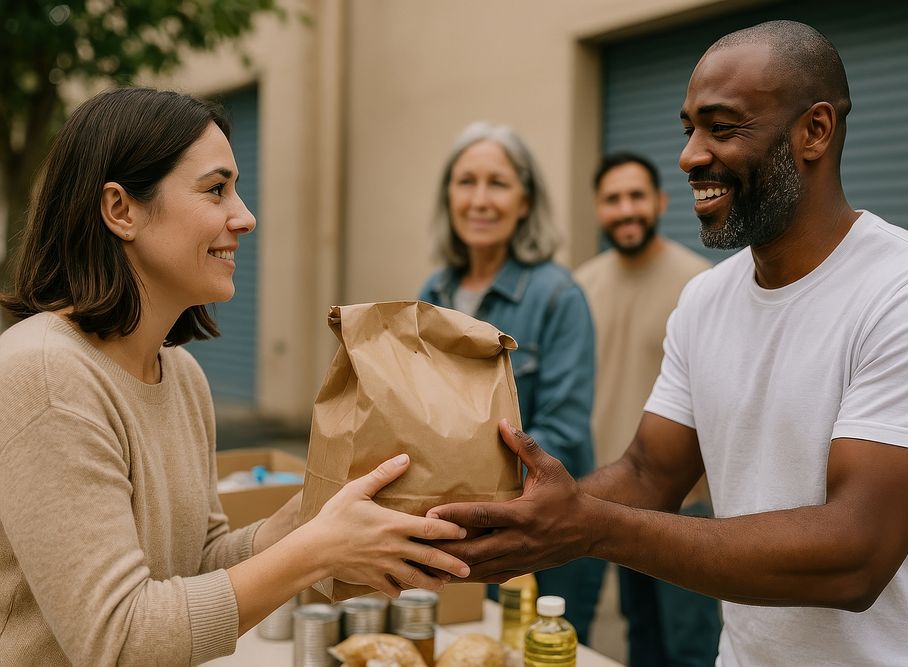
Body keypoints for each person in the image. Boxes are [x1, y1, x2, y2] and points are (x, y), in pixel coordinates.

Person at [428, 20, 908, 666]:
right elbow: (649, 473)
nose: (691, 155)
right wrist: (513, 523)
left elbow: (854, 556)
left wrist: (588, 525)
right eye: (689, 128)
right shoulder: (705, 300)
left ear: (814, 131)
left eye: (722, 128)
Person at [0, 87, 470, 666]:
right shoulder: (45, 375)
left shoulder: (183, 376)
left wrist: (311, 516)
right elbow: (118, 640)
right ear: (121, 210)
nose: (245, 218)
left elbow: (197, 565)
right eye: (216, 189)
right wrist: (317, 553)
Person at [417, 121, 604, 644]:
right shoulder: (435, 288)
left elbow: (562, 432)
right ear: (448, 196)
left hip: (543, 538)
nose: (480, 199)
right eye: (466, 182)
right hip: (455, 527)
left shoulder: (558, 296)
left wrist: (475, 491)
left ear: (525, 201)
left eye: (497, 183)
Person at [574, 152, 718, 666]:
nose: (626, 209)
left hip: (685, 504)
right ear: (598, 209)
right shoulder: (581, 286)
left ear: (659, 202)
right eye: (613, 199)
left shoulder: (700, 283)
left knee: (691, 649)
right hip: (610, 495)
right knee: (641, 641)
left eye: (636, 196)